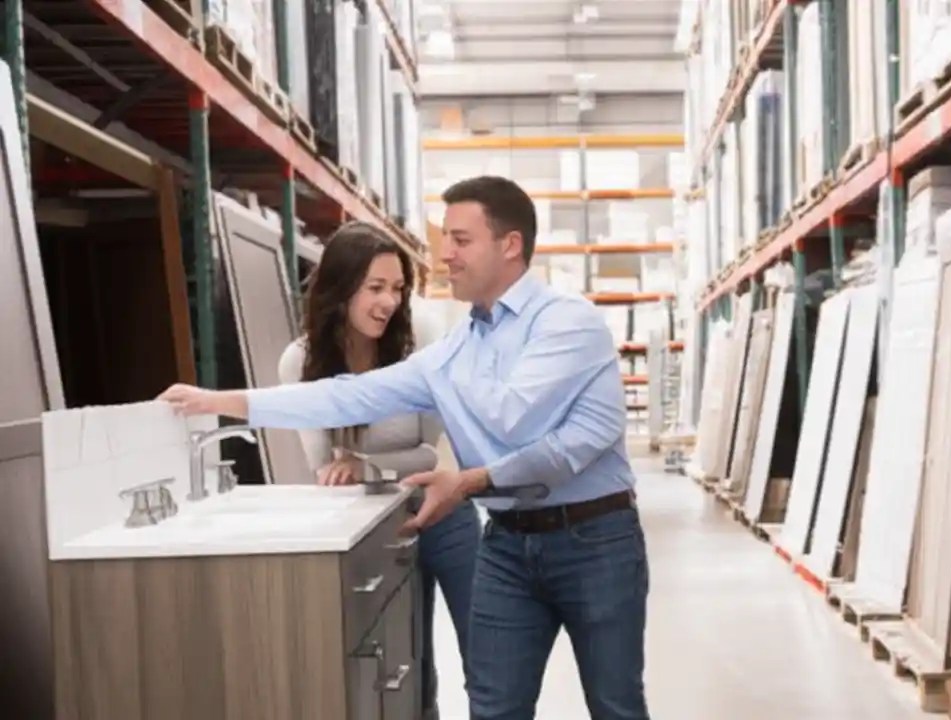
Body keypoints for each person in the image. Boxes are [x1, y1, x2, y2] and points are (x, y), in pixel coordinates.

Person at [160, 176, 650, 720]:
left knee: (615, 706)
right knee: (493, 709)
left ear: (509, 245)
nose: (446, 255)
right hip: (508, 544)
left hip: (592, 540)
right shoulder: (462, 342)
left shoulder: (566, 321)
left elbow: (515, 418)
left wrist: (444, 395)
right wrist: (221, 401)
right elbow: (347, 397)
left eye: (461, 240)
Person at [275, 222, 479, 720]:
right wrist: (352, 469)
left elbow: (428, 453)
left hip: (445, 518)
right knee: (413, 666)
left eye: (397, 289)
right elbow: (323, 468)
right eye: (376, 288)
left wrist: (363, 463)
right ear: (341, 288)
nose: (389, 302)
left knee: (488, 656)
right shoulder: (299, 362)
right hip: (377, 532)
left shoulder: (421, 340)